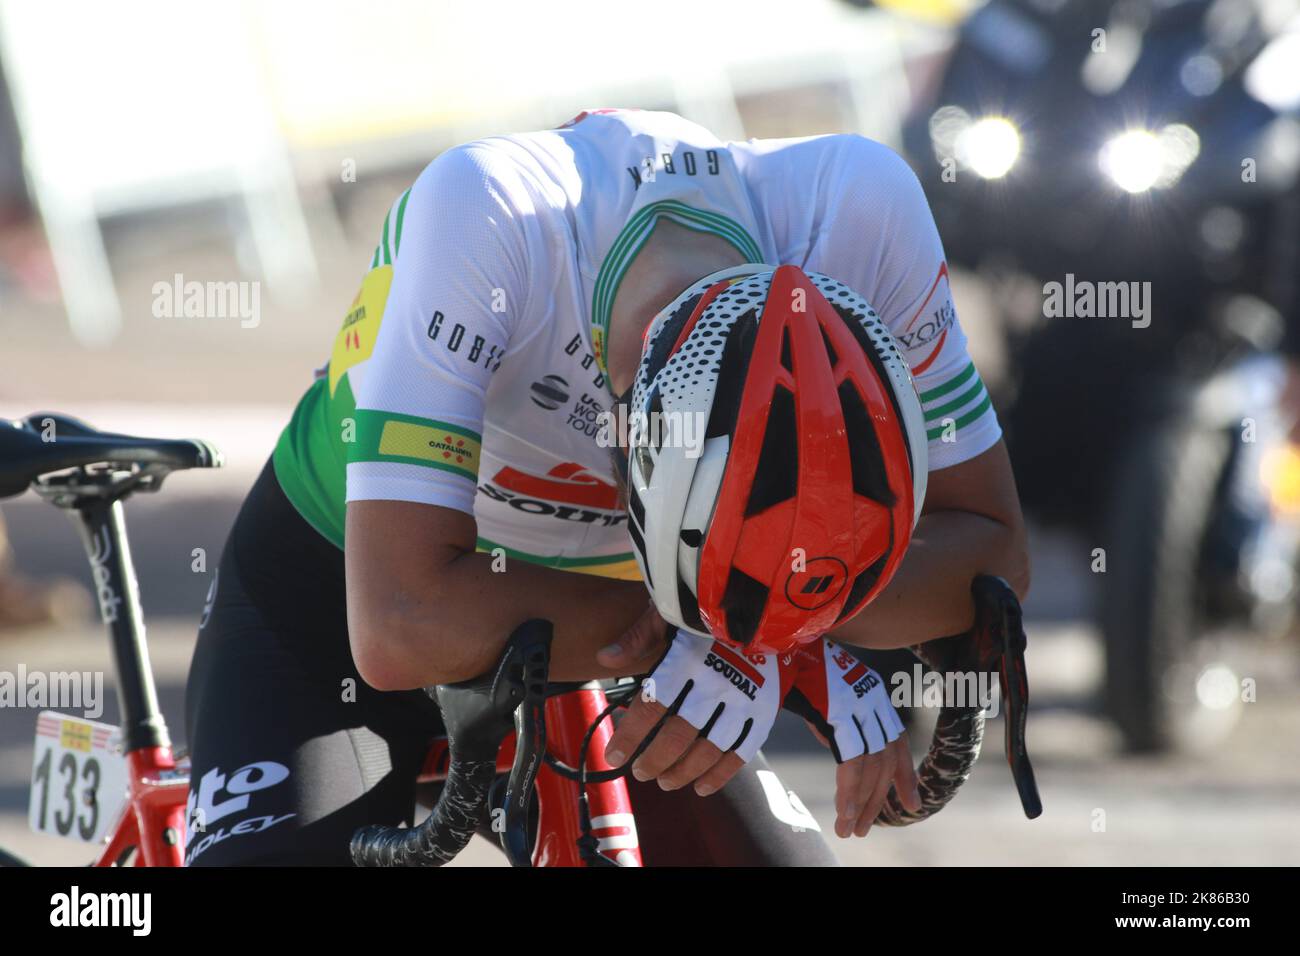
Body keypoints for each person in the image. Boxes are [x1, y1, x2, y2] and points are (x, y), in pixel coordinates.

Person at [183, 108, 1028, 866]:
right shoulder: (492, 216)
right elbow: (403, 623)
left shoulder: (859, 213)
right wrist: (740, 645)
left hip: (606, 627)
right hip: (343, 596)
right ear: (624, 444)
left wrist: (767, 637)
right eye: (734, 560)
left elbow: (991, 545)